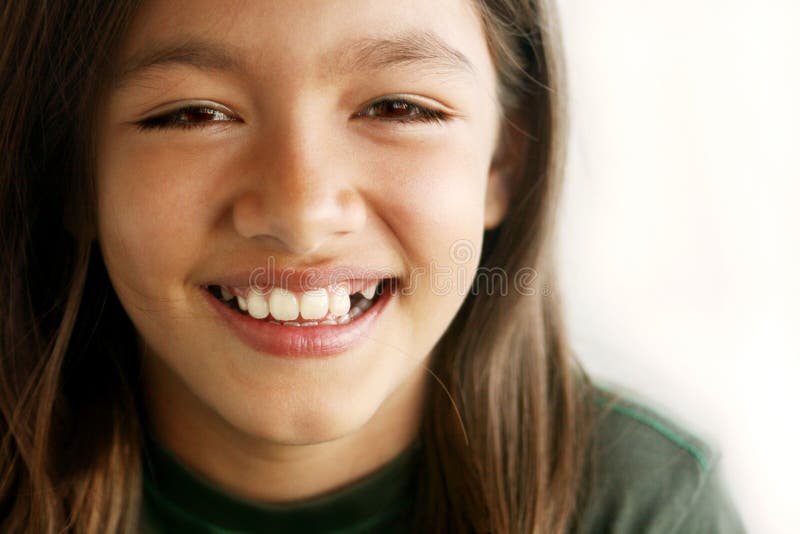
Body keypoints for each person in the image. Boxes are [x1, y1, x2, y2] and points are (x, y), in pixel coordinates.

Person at [0, 0, 745, 532]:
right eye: (192, 113)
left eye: (398, 108)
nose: (301, 212)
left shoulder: (645, 510)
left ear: (504, 160)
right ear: (72, 173)